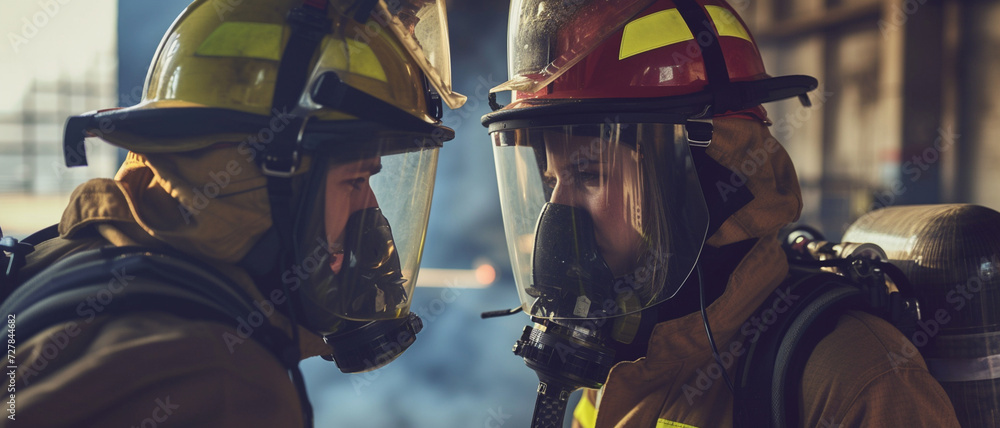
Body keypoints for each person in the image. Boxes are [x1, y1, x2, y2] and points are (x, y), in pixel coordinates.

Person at [481, 0, 961, 426]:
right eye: (550, 181)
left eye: (588, 175)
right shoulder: (627, 357)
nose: (556, 212)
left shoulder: (855, 383)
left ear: (705, 179)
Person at [0, 0, 464, 426]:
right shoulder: (220, 383)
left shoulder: (59, 256)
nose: (371, 209)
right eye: (355, 181)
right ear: (264, 174)